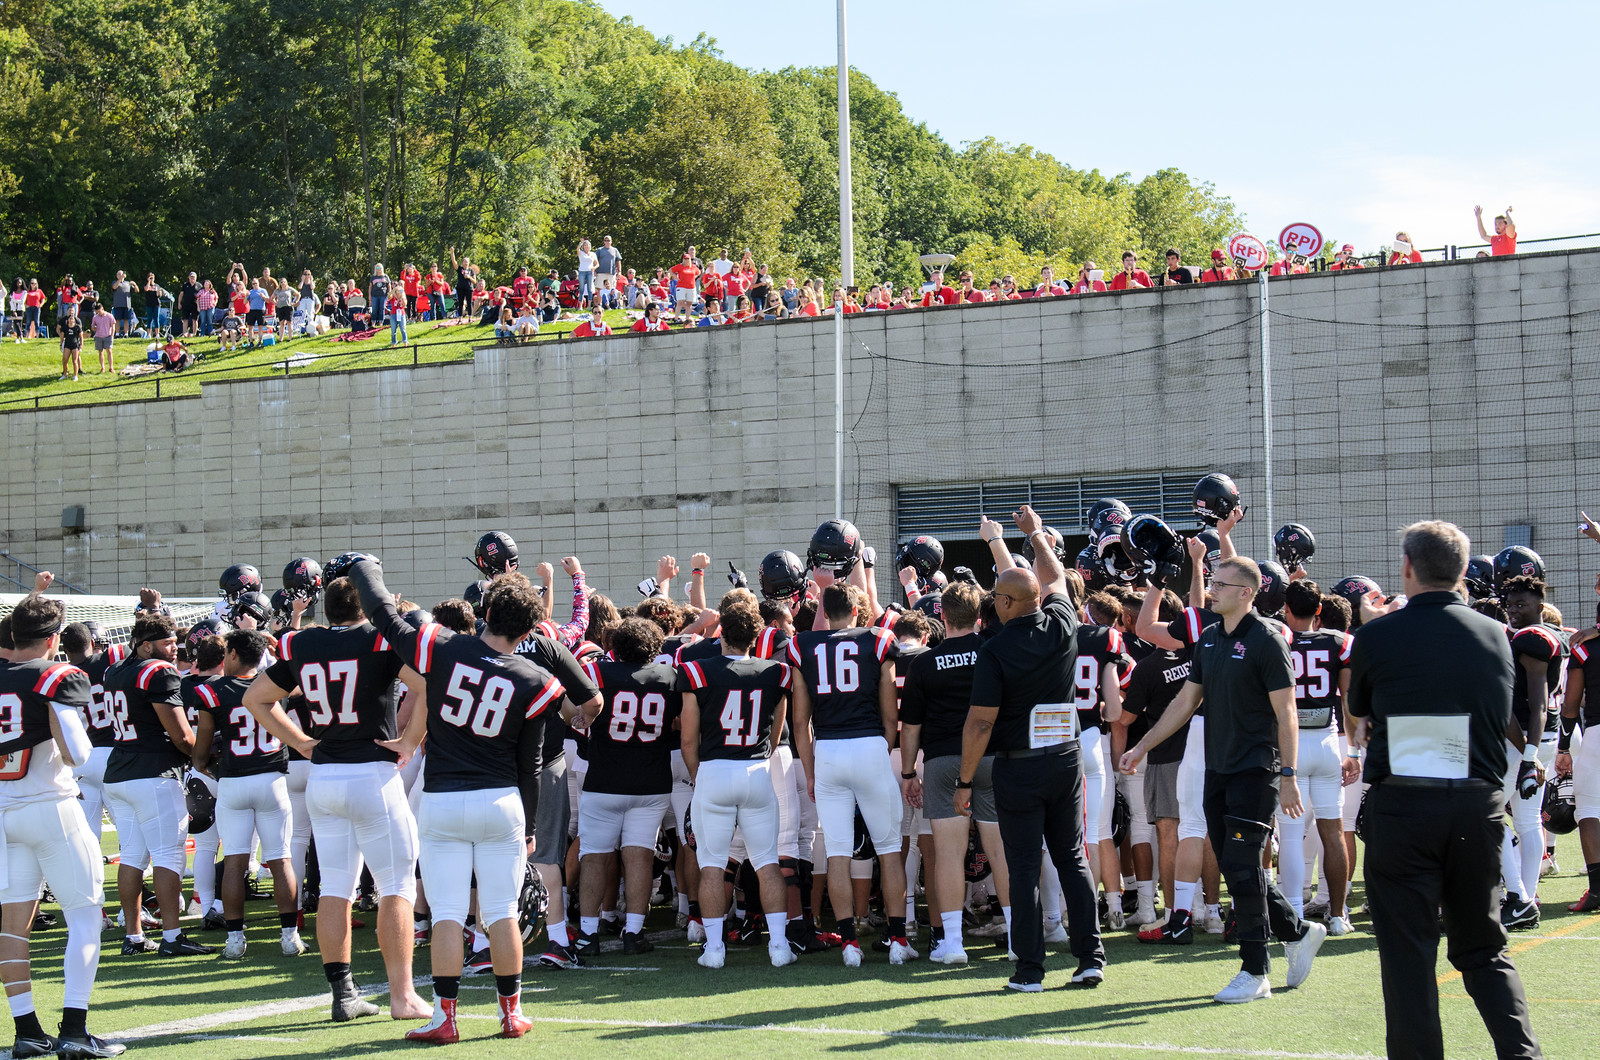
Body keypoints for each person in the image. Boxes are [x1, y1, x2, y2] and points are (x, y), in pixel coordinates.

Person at [345, 561, 568, 1043]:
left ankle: (445, 1018)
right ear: (530, 629)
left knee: (447, 911)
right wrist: (528, 826)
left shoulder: (443, 646)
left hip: (444, 797)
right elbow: (530, 764)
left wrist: (364, 571)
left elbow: (385, 617)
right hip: (502, 802)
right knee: (503, 910)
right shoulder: (536, 681)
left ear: (486, 611)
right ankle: (511, 1014)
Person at [1346, 520, 1543, 1060]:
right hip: (1476, 804)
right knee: (1484, 949)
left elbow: (1357, 715)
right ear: (1461, 572)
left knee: (1409, 961)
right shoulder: (1495, 635)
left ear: (1408, 568)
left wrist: (1372, 627)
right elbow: (1489, 715)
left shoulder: (1378, 635)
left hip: (1404, 805)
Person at [1121, 555, 1325, 1004]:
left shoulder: (1268, 640)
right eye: (1212, 581)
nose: (1211, 589)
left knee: (1244, 866)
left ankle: (1255, 971)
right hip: (1218, 770)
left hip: (1257, 769)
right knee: (1237, 864)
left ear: (1246, 592)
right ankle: (1298, 930)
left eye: (1221, 583)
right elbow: (1183, 703)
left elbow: (1286, 712)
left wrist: (1288, 775)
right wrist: (1141, 747)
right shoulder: (1209, 638)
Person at [243, 574, 430, 1023]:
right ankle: (402, 996)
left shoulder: (302, 644)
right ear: (366, 607)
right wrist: (409, 741)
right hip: (372, 775)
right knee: (397, 887)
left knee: (335, 887)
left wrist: (301, 741)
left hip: (324, 777)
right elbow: (427, 684)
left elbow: (256, 698)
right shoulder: (379, 640)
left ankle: (343, 994)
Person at [959, 507, 1104, 991]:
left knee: (1023, 866)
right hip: (1066, 758)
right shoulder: (1063, 622)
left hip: (1019, 768)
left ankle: (1029, 970)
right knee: (1071, 857)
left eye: (998, 596)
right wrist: (1035, 535)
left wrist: (964, 780)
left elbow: (981, 722)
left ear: (1005, 603)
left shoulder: (995, 651)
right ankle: (1090, 958)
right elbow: (1055, 576)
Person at [0, 591, 125, 1059]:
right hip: (51, 807)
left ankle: (28, 1032)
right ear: (53, 639)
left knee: (13, 927)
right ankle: (74, 1030)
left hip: (3, 814)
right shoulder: (56, 675)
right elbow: (79, 754)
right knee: (85, 916)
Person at [790, 581, 914, 967]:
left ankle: (848, 944)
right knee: (889, 851)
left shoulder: (804, 646)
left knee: (840, 852)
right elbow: (890, 709)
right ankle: (896, 940)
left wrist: (810, 771)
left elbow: (800, 721)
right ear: (858, 610)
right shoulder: (877, 639)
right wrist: (885, 748)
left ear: (824, 612)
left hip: (827, 749)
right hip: (868, 745)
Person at [679, 592, 797, 970]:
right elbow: (777, 732)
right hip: (756, 768)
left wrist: (701, 776)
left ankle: (714, 949)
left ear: (722, 632)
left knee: (712, 864)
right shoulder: (776, 672)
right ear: (755, 637)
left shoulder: (698, 671)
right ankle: (778, 946)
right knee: (766, 862)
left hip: (714, 769)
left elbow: (688, 738)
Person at [898, 580, 1010, 965]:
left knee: (947, 854)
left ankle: (952, 942)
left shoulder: (925, 662)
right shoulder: (995, 652)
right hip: (993, 758)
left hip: (945, 760)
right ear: (979, 616)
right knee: (1001, 849)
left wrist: (909, 771)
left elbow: (909, 726)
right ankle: (1016, 934)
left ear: (941, 616)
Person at [188, 630, 306, 961]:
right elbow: (295, 674)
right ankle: (289, 937)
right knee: (281, 858)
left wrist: (205, 765)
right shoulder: (275, 685)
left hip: (234, 782)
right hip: (271, 779)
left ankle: (235, 941)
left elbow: (200, 751)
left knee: (236, 860)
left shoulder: (212, 691)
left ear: (235, 654)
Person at [101, 612, 213, 958]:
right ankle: (171, 937)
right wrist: (203, 759)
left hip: (118, 772)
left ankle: (133, 937)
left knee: (133, 856)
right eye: (167, 643)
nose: (173, 649)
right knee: (167, 854)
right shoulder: (156, 671)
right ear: (146, 644)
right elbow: (180, 734)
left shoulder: (115, 671)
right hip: (152, 774)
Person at [57, 305, 83, 382]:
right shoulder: (65, 327)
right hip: (67, 344)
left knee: (74, 360)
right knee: (64, 360)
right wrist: (61, 344)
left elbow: (81, 337)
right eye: (70, 319)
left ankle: (75, 375)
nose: (71, 320)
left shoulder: (77, 327)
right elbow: (62, 336)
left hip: (75, 345)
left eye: (73, 319)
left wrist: (81, 344)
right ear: (68, 320)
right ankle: (65, 374)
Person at [90, 303, 116, 374]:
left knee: (109, 351)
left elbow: (113, 326)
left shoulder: (109, 316)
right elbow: (93, 326)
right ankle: (102, 367)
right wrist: (94, 328)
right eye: (97, 312)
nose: (98, 313)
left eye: (99, 311)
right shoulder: (95, 317)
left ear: (102, 309)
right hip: (98, 336)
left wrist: (112, 335)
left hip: (108, 335)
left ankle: (111, 367)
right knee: (100, 352)